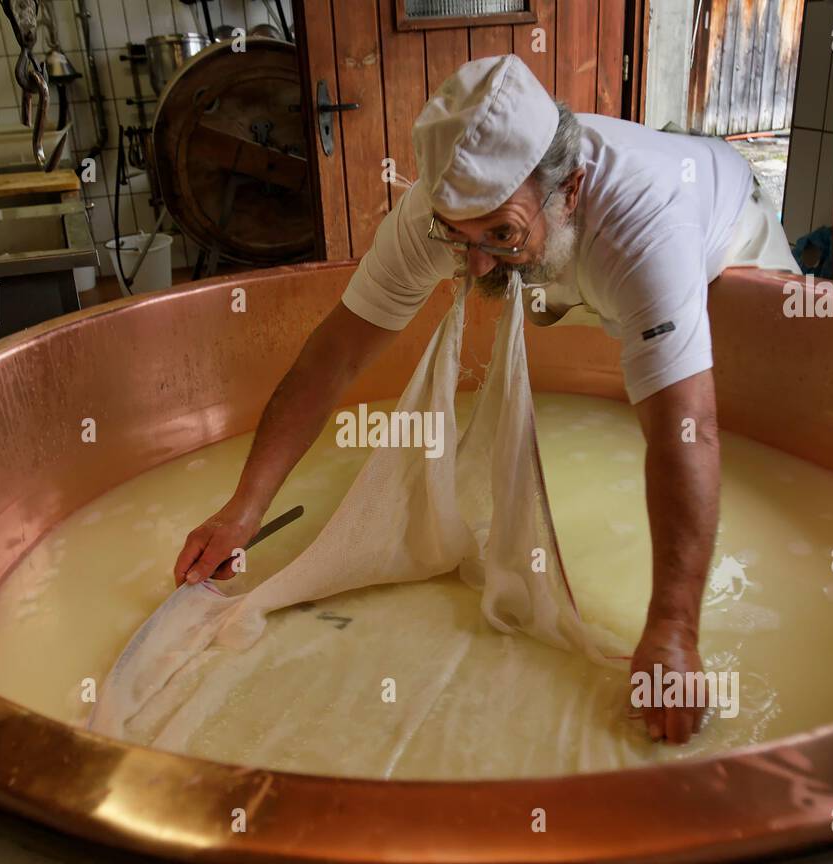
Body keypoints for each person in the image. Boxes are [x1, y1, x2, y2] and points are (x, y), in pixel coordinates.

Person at [174, 54, 800, 744]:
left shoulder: (644, 227)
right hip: (572, 258)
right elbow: (335, 356)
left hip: (728, 234)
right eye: (456, 236)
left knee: (746, 416)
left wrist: (674, 631)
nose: (473, 267)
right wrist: (243, 510)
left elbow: (690, 431)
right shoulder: (438, 216)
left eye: (499, 234)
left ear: (570, 190)